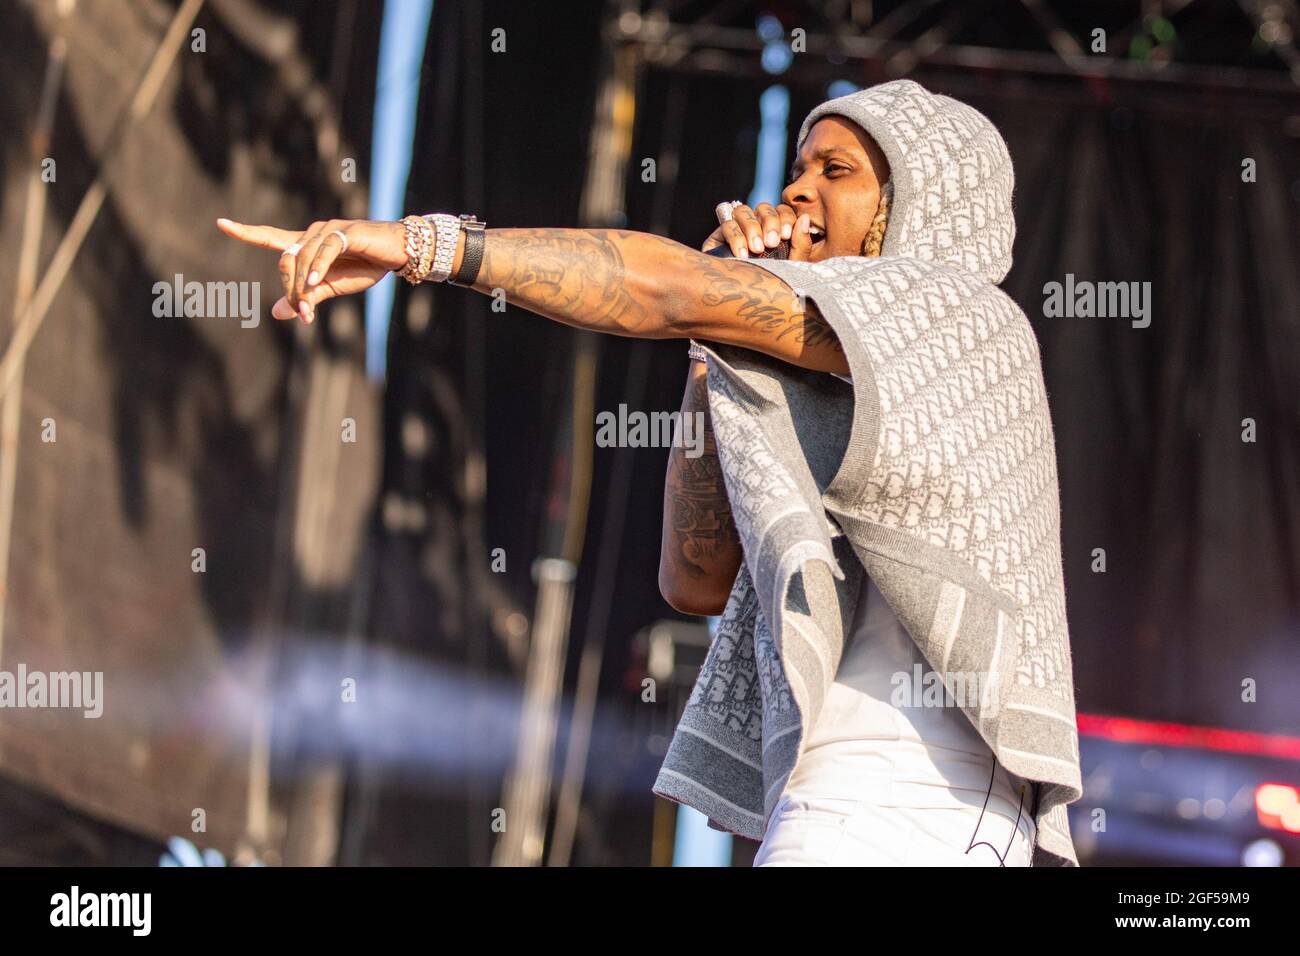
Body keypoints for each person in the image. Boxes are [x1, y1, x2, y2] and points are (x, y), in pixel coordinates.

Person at [218, 78, 1079, 867]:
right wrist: (717, 343)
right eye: (799, 166)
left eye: (838, 171)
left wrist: (426, 245)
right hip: (842, 800)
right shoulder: (832, 369)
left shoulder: (965, 319)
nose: (797, 191)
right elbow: (694, 577)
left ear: (919, 202)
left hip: (917, 799)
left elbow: (664, 289)